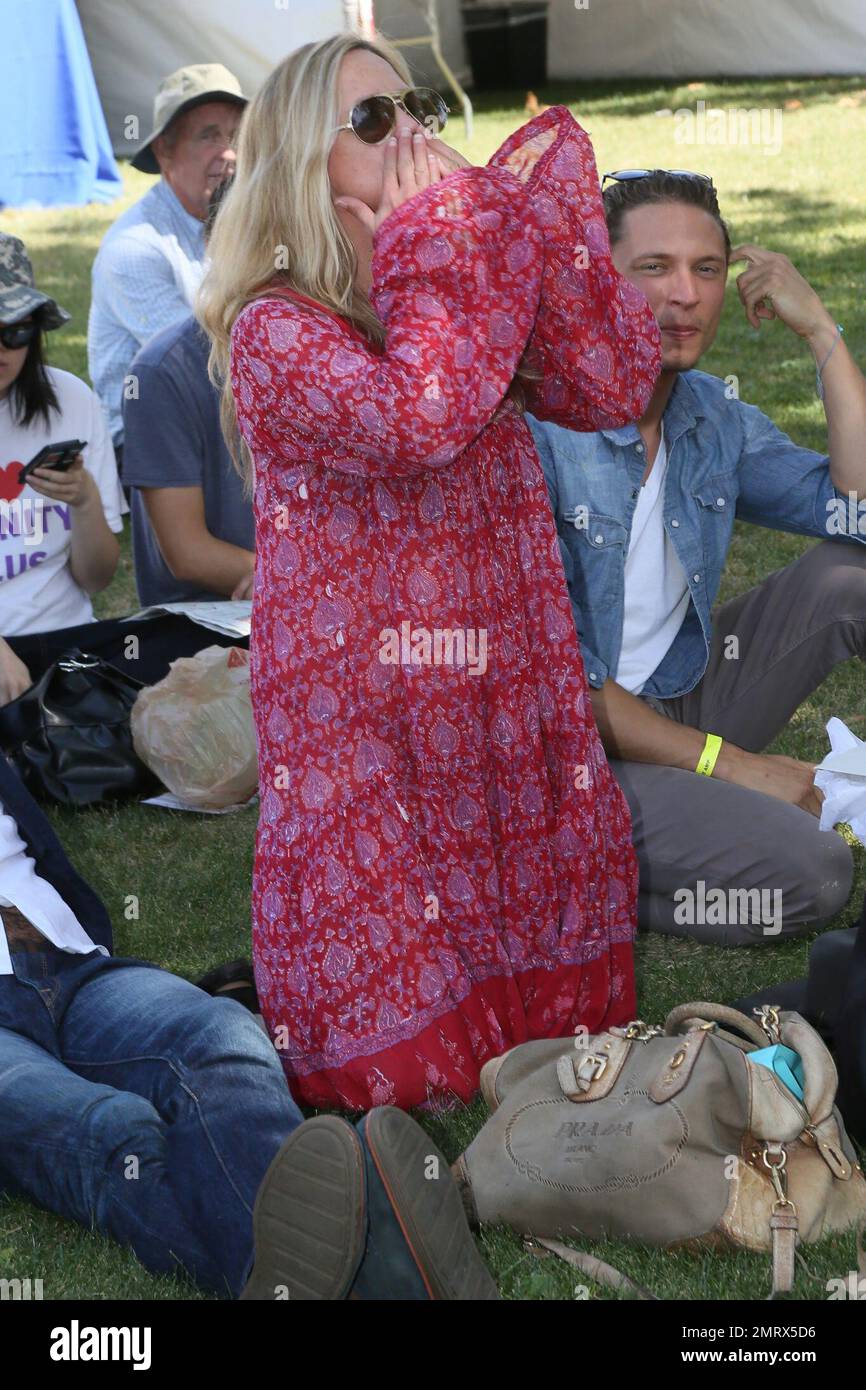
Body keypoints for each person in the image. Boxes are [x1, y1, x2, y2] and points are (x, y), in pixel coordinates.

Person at [199, 33, 661, 1111]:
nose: (408, 133)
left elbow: (605, 383)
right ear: (300, 166)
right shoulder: (276, 326)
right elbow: (421, 415)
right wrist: (433, 247)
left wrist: (517, 240)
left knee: (536, 989)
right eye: (369, 121)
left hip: (493, 669)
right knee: (411, 1075)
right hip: (363, 700)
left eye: (410, 109)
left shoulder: (452, 277)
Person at [0, 751, 497, 1300]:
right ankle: (367, 1260)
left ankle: (340, 1260)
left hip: (66, 962)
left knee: (221, 1035)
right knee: (113, 1131)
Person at [528, 169, 866, 946]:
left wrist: (821, 332)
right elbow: (554, 680)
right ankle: (555, 873)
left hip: (673, 699)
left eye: (706, 270)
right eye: (653, 268)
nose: (685, 294)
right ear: (593, 280)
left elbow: (854, 507)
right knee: (814, 875)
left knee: (851, 575)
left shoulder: (710, 414)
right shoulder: (538, 430)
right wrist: (733, 765)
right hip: (571, 752)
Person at [0, 232, 244, 704]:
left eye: (16, 330)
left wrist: (86, 501)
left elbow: (95, 578)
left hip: (67, 644)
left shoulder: (69, 400)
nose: (4, 348)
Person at [87, 64, 247, 460]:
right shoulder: (135, 249)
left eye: (235, 135)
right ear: (164, 151)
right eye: (209, 136)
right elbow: (200, 367)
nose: (228, 153)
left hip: (224, 416)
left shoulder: (240, 224)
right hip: (149, 438)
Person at [122, 178, 255, 606]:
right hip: (207, 628)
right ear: (215, 244)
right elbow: (187, 554)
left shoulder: (340, 353)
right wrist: (302, 583)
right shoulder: (163, 371)